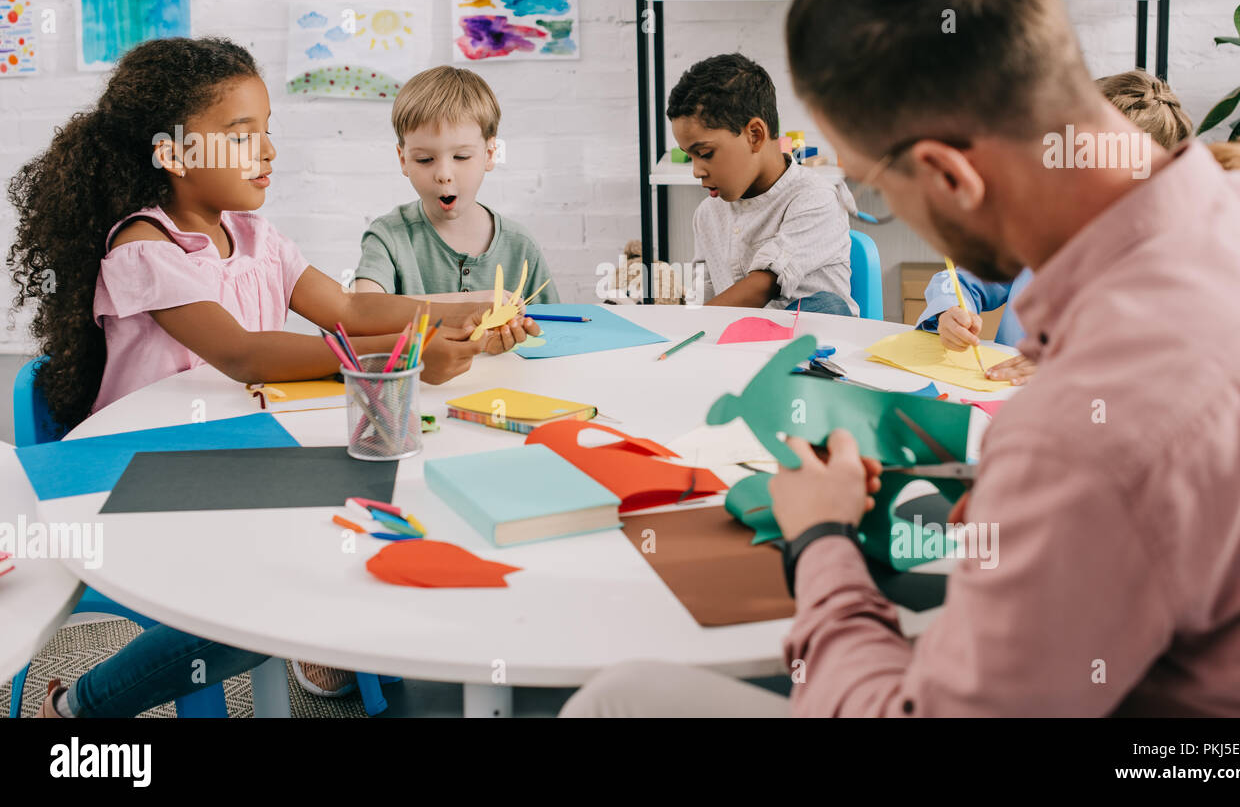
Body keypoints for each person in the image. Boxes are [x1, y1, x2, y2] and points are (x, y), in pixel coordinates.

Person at [562, 0, 1240, 717]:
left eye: (874, 181)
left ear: (949, 176)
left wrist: (822, 541)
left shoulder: (1081, 433)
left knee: (619, 698)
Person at [6, 37, 537, 715]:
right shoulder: (143, 249)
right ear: (172, 152)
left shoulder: (256, 236)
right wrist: (406, 348)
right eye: (240, 133)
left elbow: (344, 306)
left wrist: (464, 308)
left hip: (239, 457)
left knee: (390, 511)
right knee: (250, 613)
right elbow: (245, 354)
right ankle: (79, 704)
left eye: (266, 130)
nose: (267, 149)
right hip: (144, 476)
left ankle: (355, 657)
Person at [917, 69, 1195, 386]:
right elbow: (965, 279)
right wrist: (952, 311)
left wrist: (1069, 366)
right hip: (999, 398)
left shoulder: (1167, 266)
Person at [668, 53, 858, 316]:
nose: (696, 170)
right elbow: (706, 295)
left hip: (813, 347)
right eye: (690, 156)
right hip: (738, 347)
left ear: (754, 135)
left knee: (826, 306)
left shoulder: (817, 198)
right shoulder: (706, 215)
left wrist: (691, 324)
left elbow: (763, 285)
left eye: (706, 153)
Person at [352, 66, 560, 303]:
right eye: (425, 160)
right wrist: (470, 303)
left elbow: (555, 330)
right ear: (404, 160)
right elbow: (366, 309)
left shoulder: (520, 246)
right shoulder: (389, 236)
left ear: (490, 154)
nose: (443, 174)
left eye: (461, 157)